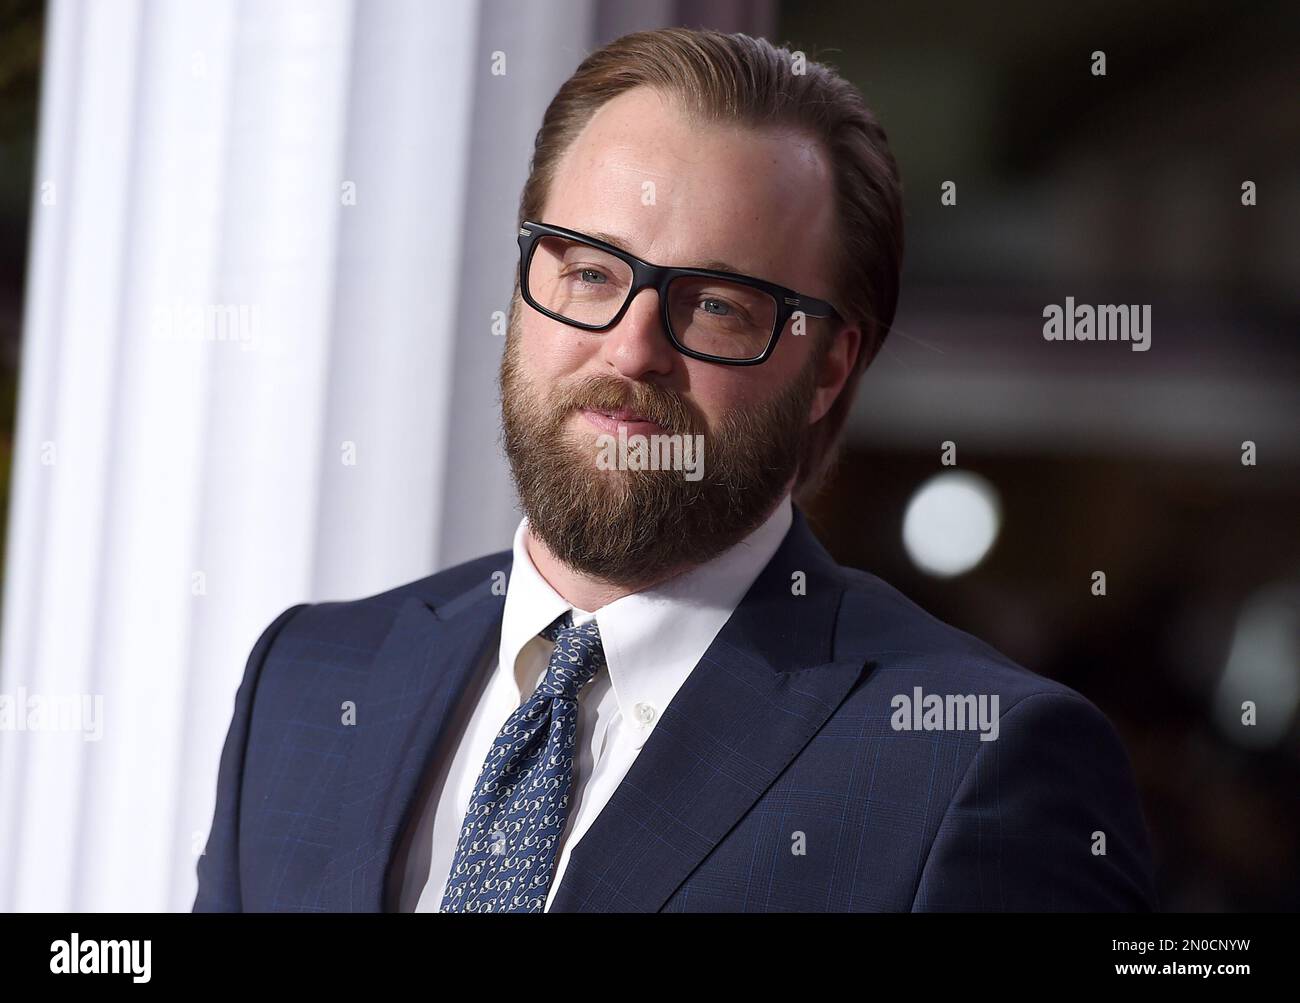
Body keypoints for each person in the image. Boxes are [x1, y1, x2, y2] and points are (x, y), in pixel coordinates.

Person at [194, 27, 1157, 913]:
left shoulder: (973, 762)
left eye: (717, 306)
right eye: (591, 273)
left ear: (828, 368)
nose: (630, 349)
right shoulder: (308, 679)